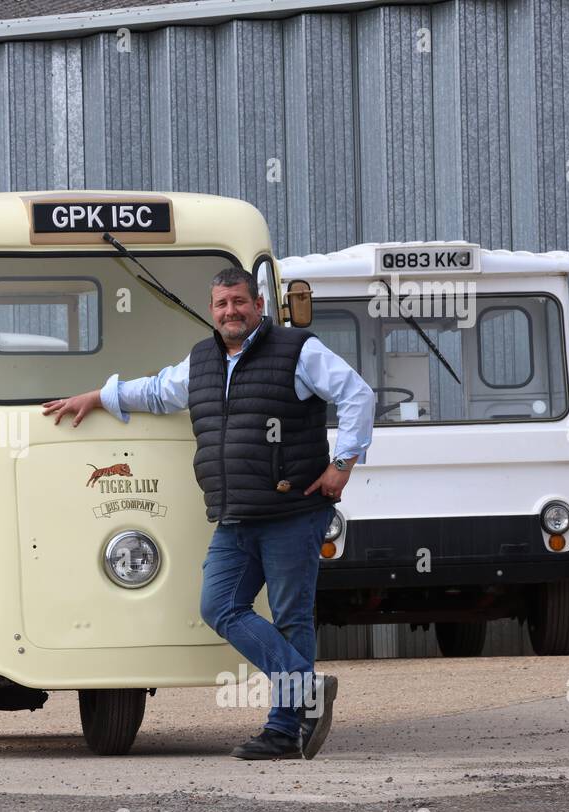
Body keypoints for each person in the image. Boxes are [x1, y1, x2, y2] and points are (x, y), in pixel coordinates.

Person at [42, 266, 375, 760]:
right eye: (221, 304)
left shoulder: (298, 350)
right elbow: (156, 391)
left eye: (239, 302)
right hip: (236, 514)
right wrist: (99, 397)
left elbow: (358, 395)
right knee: (218, 607)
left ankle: (285, 731)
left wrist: (342, 465)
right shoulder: (201, 361)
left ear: (257, 305)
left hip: (292, 509)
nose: (230, 312)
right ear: (212, 309)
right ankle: (304, 685)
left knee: (290, 618)